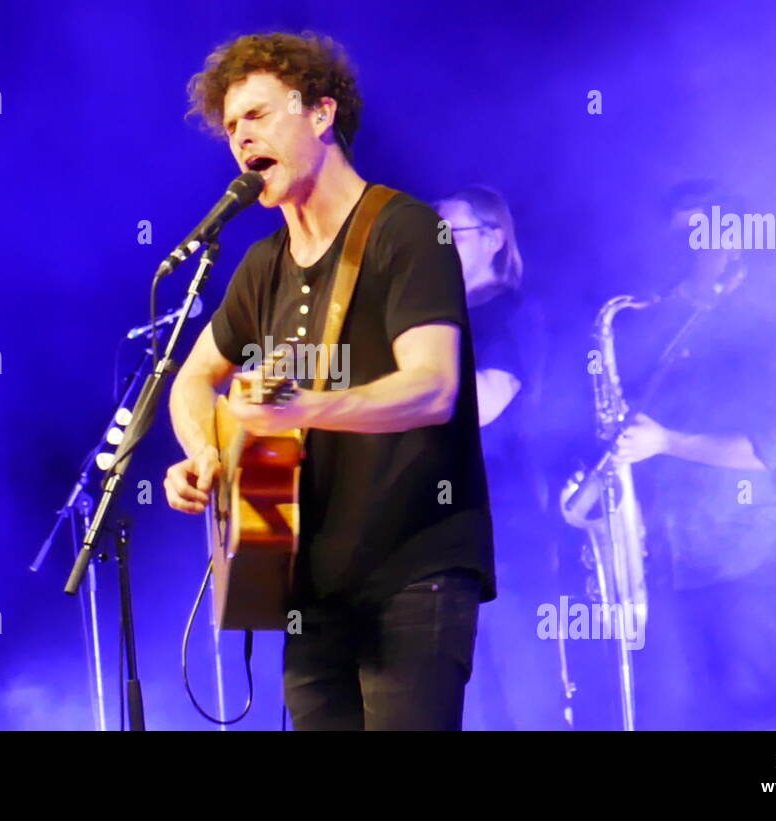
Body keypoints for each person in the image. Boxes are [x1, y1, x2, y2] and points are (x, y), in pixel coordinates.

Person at [162, 32, 495, 730]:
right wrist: (206, 455)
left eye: (257, 115)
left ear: (320, 113)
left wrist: (308, 406)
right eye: (230, 127)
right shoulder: (263, 265)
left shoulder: (407, 230)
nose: (240, 138)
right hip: (306, 589)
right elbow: (192, 379)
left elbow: (434, 387)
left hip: (411, 572)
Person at [613, 180, 776, 730]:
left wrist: (666, 441)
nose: (684, 249)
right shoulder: (666, 324)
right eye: (676, 237)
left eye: (698, 235)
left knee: (742, 717)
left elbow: (768, 450)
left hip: (741, 557)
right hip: (669, 557)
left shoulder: (764, 329)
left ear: (734, 244)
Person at [435, 186, 564, 729]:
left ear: (493, 238)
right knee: (470, 698)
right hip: (444, 537)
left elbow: (484, 402)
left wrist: (418, 363)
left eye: (449, 231)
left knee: (522, 691)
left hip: (505, 530)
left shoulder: (511, 310)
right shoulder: (439, 317)